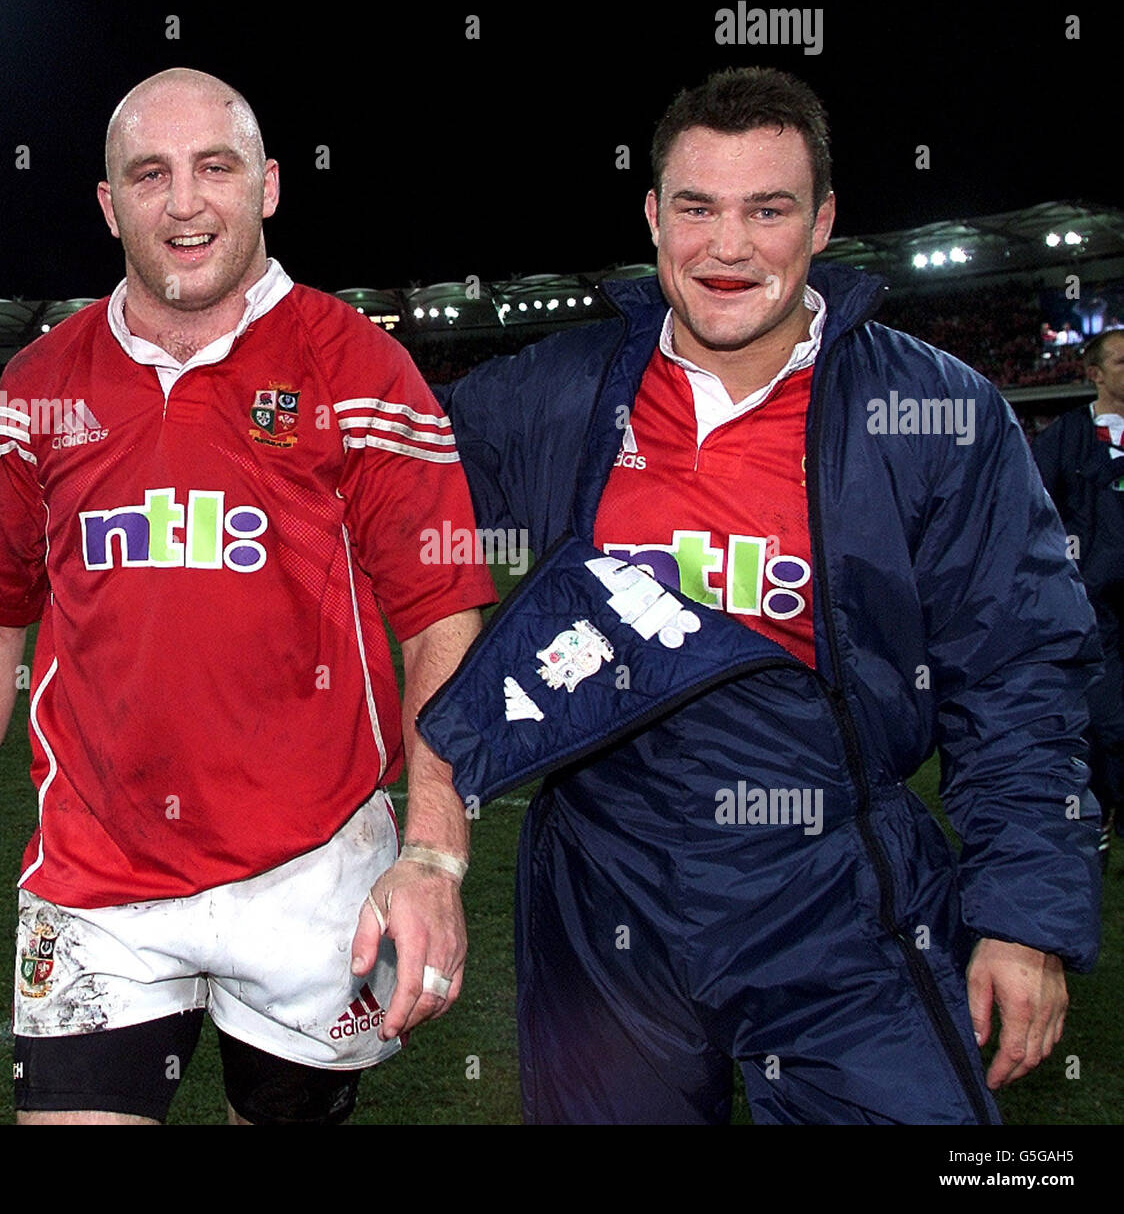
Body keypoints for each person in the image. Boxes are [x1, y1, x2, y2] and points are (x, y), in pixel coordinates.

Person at [419, 67, 1101, 1124]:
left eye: (766, 210)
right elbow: (374, 470)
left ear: (822, 221)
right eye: (696, 208)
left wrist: (1023, 916)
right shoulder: (562, 387)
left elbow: (1017, 669)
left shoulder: (933, 411)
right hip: (604, 893)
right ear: (652, 216)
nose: (727, 248)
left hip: (839, 887)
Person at [0, 68, 493, 1125]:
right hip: (97, 880)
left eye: (213, 168)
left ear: (267, 186)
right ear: (108, 203)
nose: (184, 203)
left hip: (314, 873)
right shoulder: (40, 386)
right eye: (150, 175)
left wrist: (430, 852)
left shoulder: (364, 372)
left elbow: (439, 620)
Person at [1032, 328, 1124, 867]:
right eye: (1120, 360)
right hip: (1096, 607)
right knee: (1108, 719)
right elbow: (1034, 512)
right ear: (1095, 373)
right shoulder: (1067, 438)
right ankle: (1104, 809)